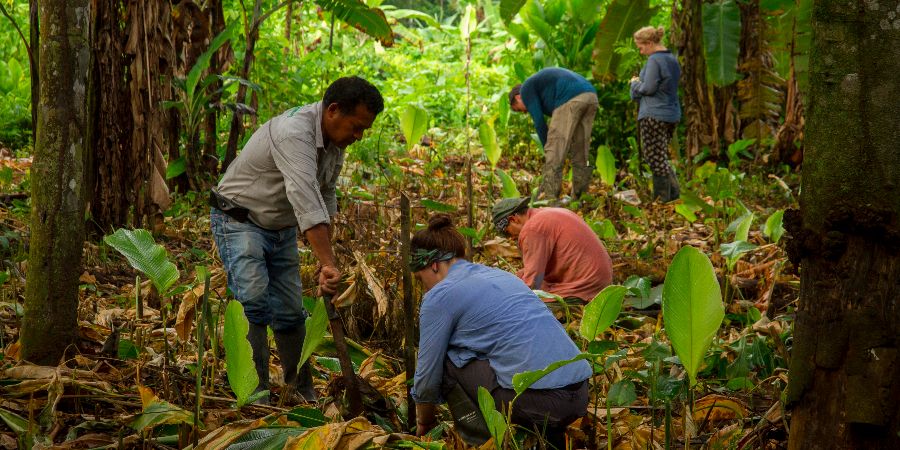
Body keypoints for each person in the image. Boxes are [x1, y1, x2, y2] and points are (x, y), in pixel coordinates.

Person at [209, 76, 384, 405]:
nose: (358, 136)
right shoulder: (295, 134)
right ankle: (254, 394)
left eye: (364, 130)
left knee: (290, 312)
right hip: (239, 220)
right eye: (356, 126)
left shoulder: (333, 142)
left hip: (280, 227)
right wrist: (329, 264)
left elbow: (325, 198)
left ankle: (299, 390)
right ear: (332, 110)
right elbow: (306, 200)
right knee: (254, 303)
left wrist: (326, 264)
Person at [410, 214, 591, 448]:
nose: (423, 284)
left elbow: (426, 378)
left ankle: (483, 441)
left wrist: (424, 425)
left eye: (420, 277)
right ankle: (548, 438)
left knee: (445, 358)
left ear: (432, 265)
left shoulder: (439, 296)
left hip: (541, 404)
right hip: (580, 395)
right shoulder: (502, 276)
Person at [492, 197, 613, 304]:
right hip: (601, 282)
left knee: (523, 309)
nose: (510, 238)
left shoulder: (532, 229)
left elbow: (533, 282)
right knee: (520, 277)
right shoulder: (546, 213)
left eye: (506, 232)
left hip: (585, 288)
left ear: (514, 219)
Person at [509, 68, 598, 201]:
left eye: (520, 109)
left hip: (570, 97)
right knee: (580, 152)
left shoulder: (525, 90)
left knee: (554, 152)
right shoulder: (540, 89)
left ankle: (549, 200)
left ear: (518, 97)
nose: (525, 112)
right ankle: (580, 199)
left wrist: (547, 147)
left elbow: (539, 122)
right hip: (591, 96)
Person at [630, 26, 682, 202]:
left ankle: (661, 200)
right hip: (671, 114)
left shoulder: (654, 60)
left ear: (650, 43)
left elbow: (649, 87)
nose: (640, 50)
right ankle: (673, 195)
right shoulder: (672, 59)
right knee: (660, 156)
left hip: (654, 114)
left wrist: (635, 84)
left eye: (641, 46)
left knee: (653, 157)